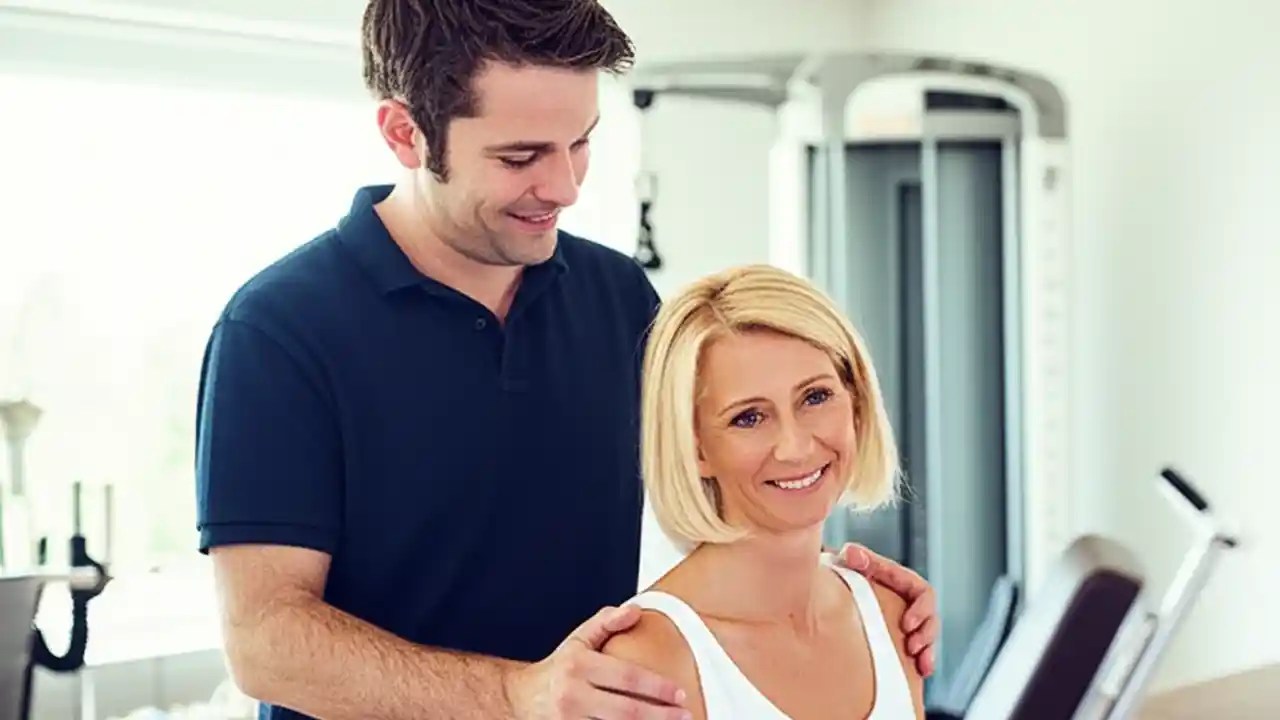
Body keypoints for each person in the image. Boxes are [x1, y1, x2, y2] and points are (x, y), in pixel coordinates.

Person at [194, 1, 938, 719]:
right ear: (405, 133)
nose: (565, 186)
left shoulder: (617, 297)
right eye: (521, 156)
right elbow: (266, 642)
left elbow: (720, 489)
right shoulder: (280, 331)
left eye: (580, 142)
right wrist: (519, 697)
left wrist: (841, 598)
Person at [603, 264, 925, 719]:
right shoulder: (647, 663)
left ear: (856, 401)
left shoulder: (894, 618)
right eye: (749, 418)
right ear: (695, 448)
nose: (795, 448)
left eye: (814, 397)